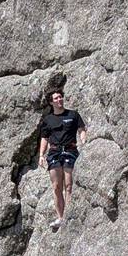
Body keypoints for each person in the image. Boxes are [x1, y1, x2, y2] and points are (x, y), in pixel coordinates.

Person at [38, 88, 87, 229]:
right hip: (54, 153)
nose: (59, 100)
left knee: (69, 185)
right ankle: (60, 217)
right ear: (51, 102)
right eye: (56, 98)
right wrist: (41, 155)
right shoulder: (48, 120)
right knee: (56, 186)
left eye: (60, 97)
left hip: (70, 151)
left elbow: (82, 129)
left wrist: (83, 141)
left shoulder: (73, 114)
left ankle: (69, 215)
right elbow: (44, 138)